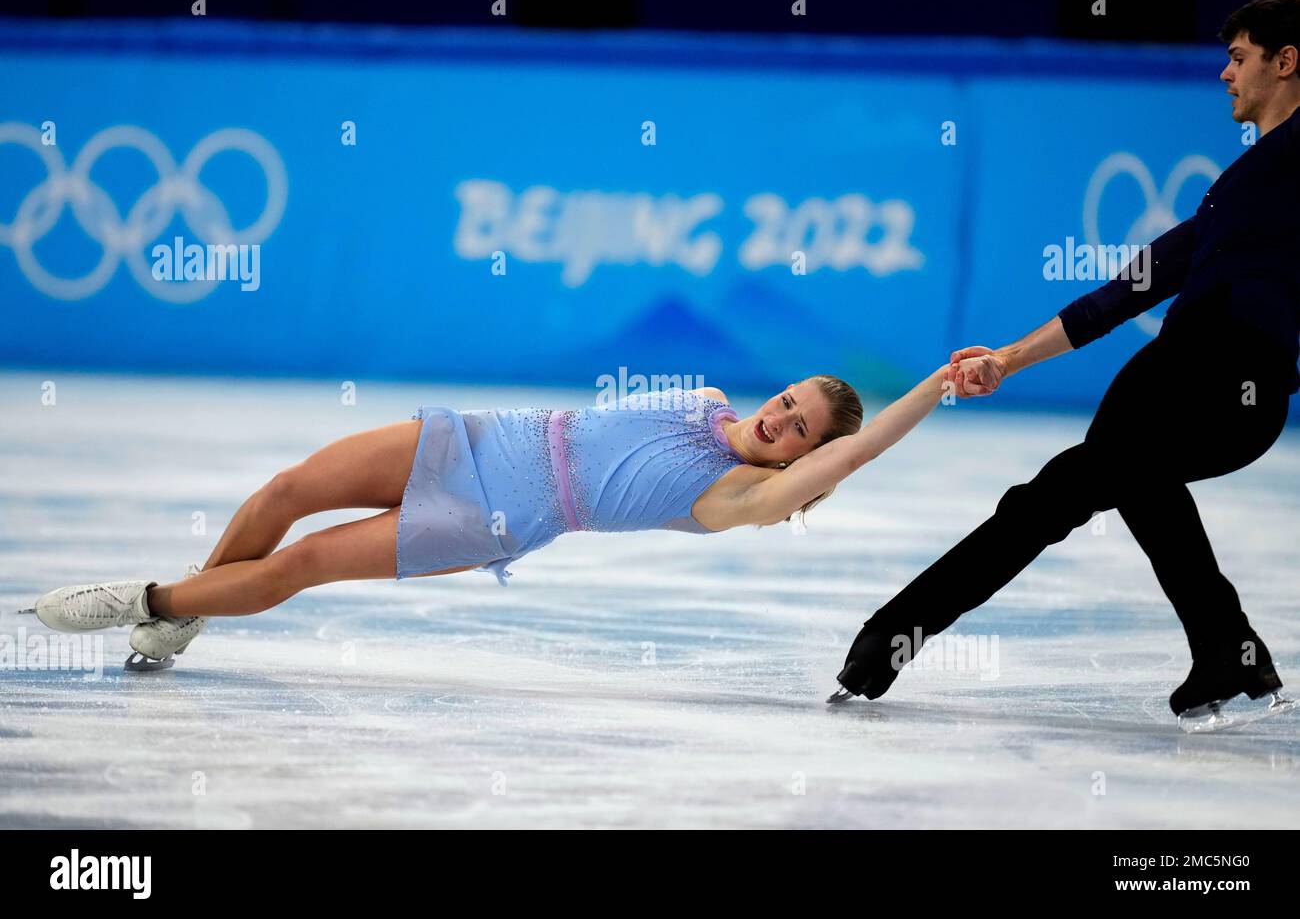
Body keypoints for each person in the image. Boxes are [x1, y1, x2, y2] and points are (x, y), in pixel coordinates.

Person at [835, 0, 1300, 728]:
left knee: (1059, 495)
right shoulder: (1235, 191)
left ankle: (892, 636)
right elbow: (1124, 292)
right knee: (1077, 491)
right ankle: (1228, 652)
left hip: (1227, 381)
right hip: (1186, 379)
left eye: (1238, 58)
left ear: (1286, 61)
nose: (1224, 74)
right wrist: (1006, 360)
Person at [27, 368, 954, 669]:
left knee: (303, 563)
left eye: (800, 430)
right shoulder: (708, 394)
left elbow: (856, 452)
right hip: (479, 436)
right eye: (789, 400)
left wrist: (933, 389)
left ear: (802, 459)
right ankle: (187, 610)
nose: (782, 418)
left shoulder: (742, 497)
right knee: (286, 490)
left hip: (494, 517)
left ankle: (141, 600)